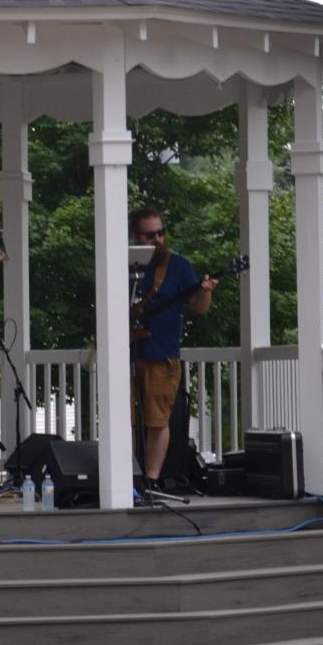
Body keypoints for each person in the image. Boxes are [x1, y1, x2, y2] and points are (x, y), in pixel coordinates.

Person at [129, 208, 216, 489]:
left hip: (162, 354)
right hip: (126, 354)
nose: (158, 239)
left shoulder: (178, 266)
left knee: (157, 420)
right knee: (125, 420)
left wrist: (206, 290)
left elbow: (199, 307)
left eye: (160, 233)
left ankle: (152, 480)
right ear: (136, 236)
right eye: (150, 234)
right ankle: (126, 475)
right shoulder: (123, 264)